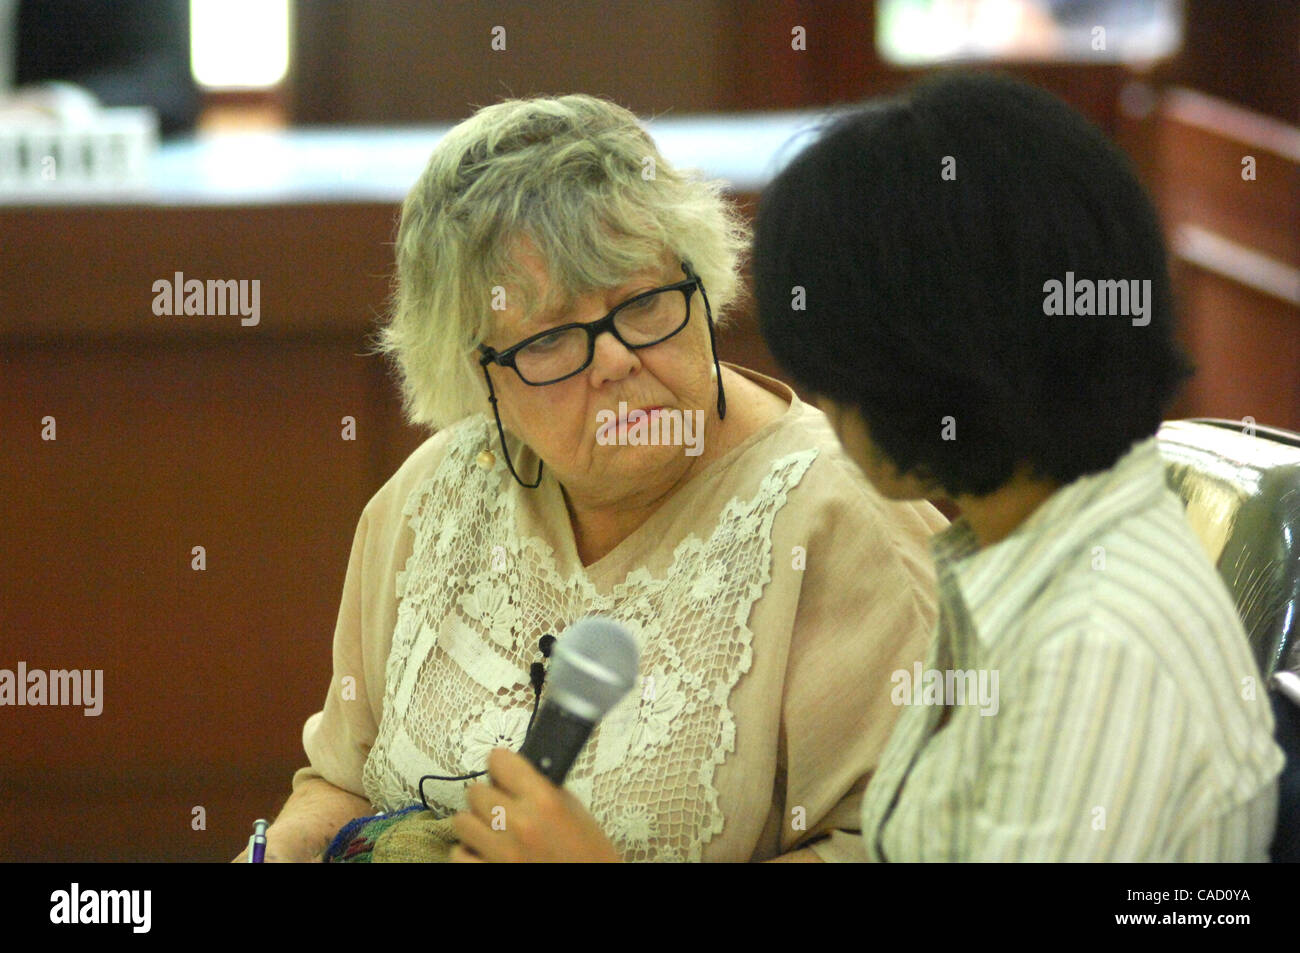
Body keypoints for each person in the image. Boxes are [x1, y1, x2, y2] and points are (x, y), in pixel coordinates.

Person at [454, 73, 1284, 863]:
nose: (818, 395)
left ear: (926, 368)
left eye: (832, 361)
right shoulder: (1016, 564)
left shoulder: (1098, 655)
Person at [239, 93, 947, 863]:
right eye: (550, 339)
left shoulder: (849, 525)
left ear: (701, 282)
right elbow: (341, 782)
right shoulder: (429, 497)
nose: (615, 361)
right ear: (481, 377)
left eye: (642, 303)